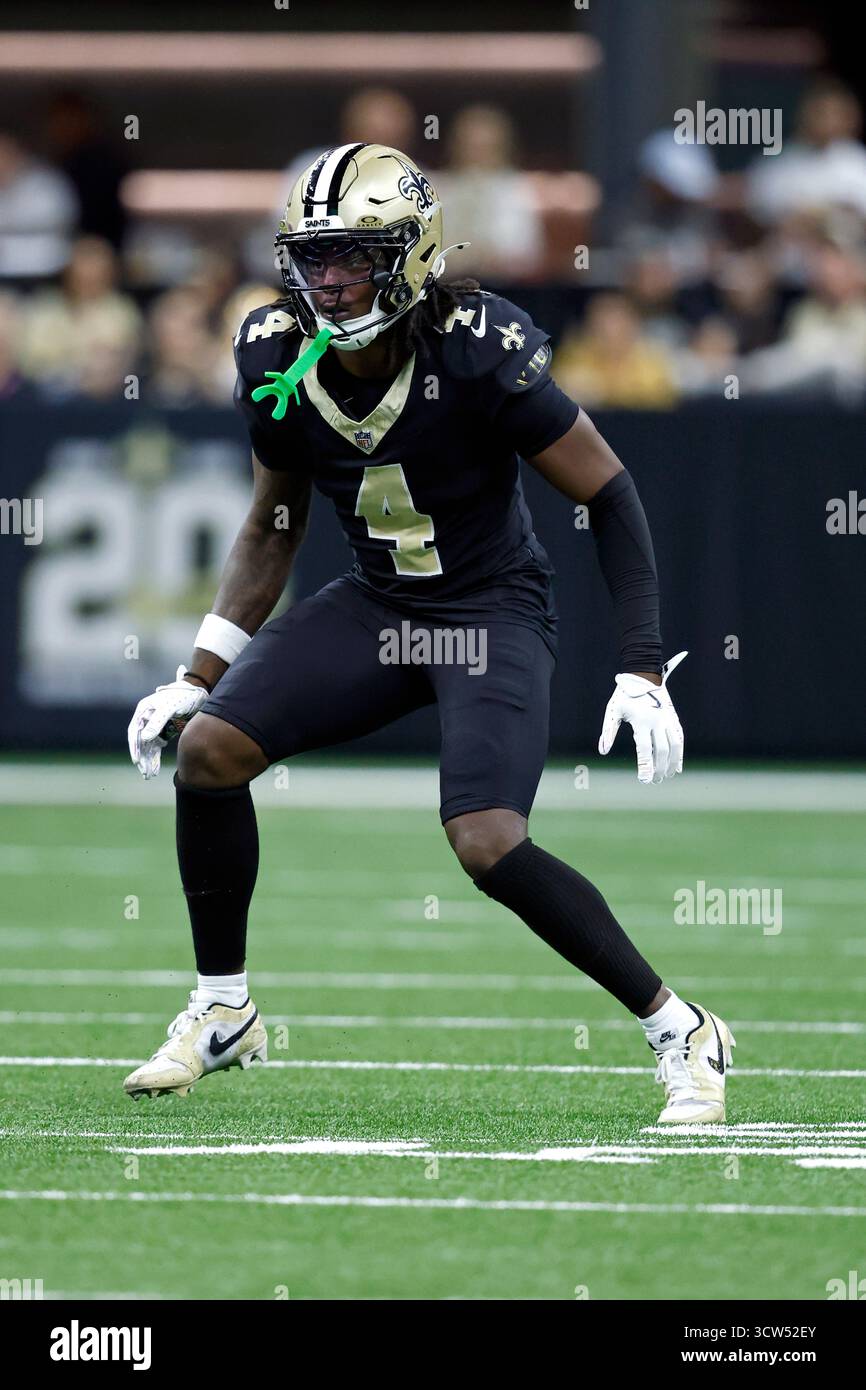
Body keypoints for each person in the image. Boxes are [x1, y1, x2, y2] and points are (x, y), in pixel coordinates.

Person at [126, 143, 734, 1124]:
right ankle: (222, 1007)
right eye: (314, 256)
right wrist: (201, 669)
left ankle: (679, 1026)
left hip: (486, 610)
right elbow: (272, 523)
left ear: (409, 255)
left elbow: (609, 490)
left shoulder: (479, 345)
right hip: (375, 606)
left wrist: (639, 663)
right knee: (208, 750)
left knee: (487, 840)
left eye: (355, 256)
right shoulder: (274, 350)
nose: (329, 279)